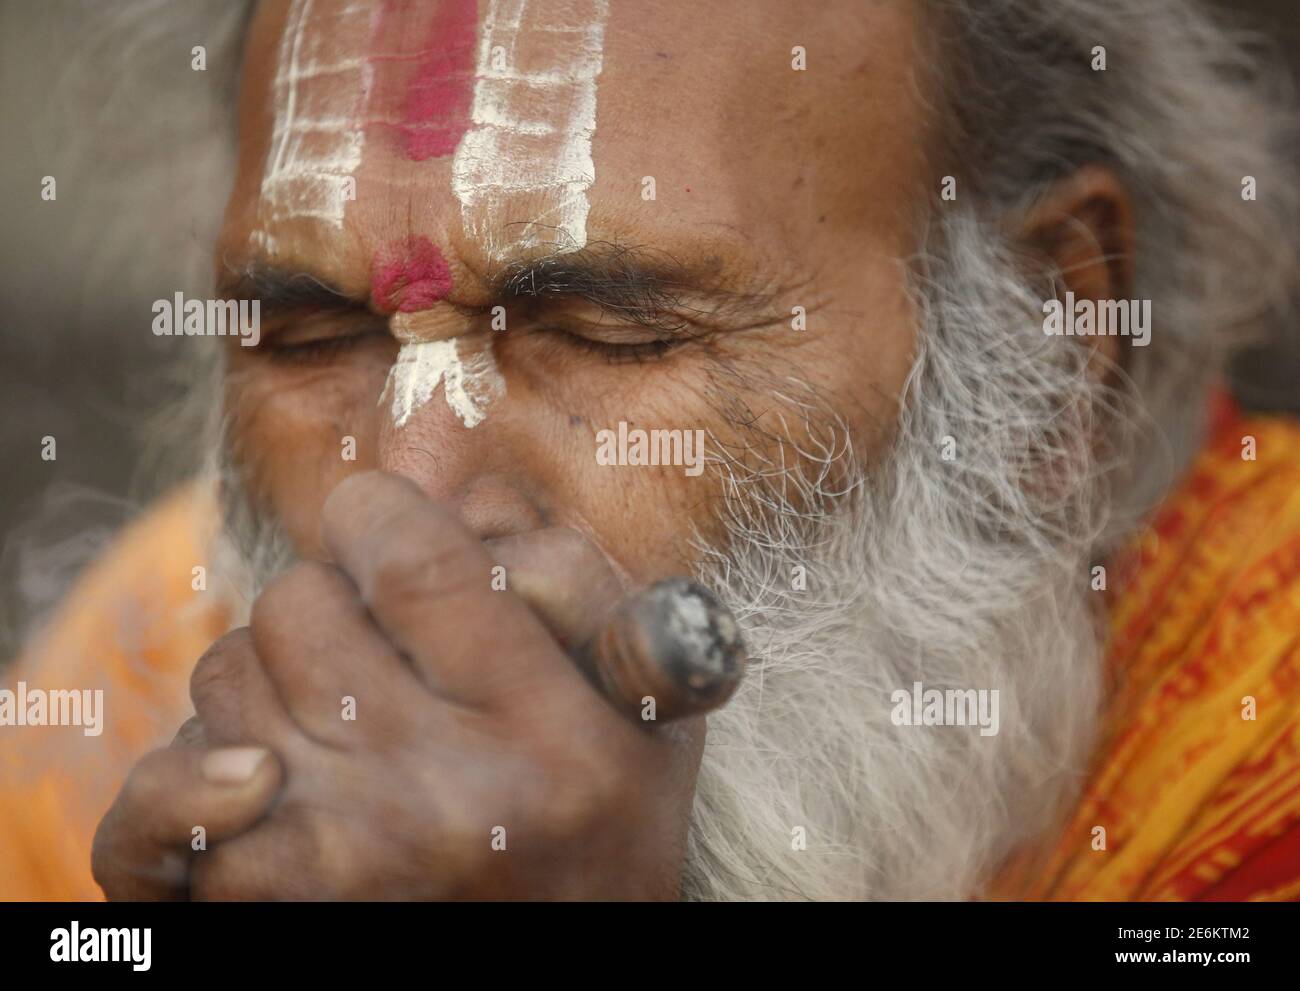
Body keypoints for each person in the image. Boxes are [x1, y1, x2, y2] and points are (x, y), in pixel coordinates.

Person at [2, 0, 1298, 901]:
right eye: (308, 338)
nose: (406, 506)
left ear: (1055, 357)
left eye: (609, 334)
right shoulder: (139, 670)